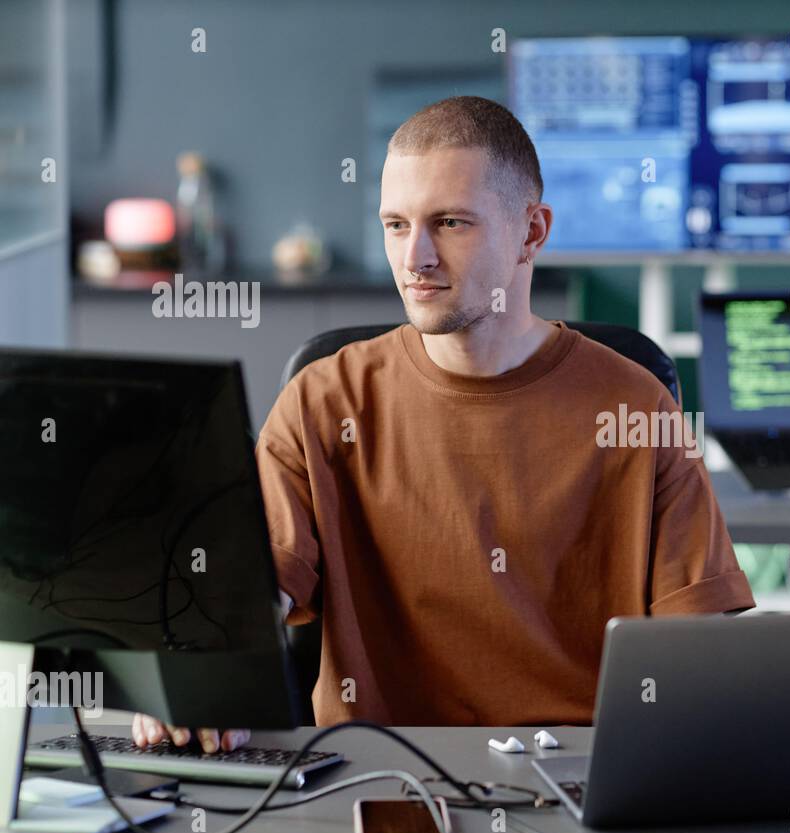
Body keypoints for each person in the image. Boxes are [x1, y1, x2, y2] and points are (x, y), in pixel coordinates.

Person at [133, 96, 753, 752]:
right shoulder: (321, 401)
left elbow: (700, 652)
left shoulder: (638, 408)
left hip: (579, 775)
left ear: (533, 231)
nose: (415, 257)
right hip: (375, 775)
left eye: (450, 223)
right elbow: (253, 591)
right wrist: (198, 666)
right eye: (395, 225)